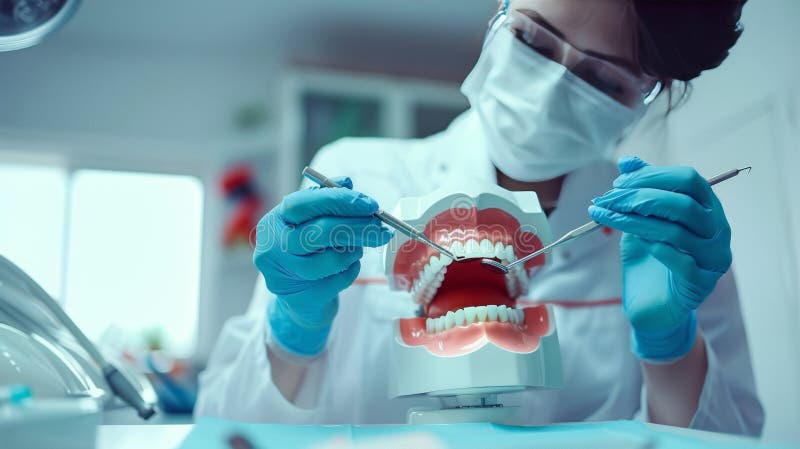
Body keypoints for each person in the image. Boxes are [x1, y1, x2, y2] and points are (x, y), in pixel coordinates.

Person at [195, 0, 763, 435]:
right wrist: (294, 329)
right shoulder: (355, 174)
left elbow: (733, 441)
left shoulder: (670, 242)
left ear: (650, 93)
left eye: (603, 79)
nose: (546, 95)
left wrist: (670, 349)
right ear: (499, 14)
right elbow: (226, 428)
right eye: (533, 40)